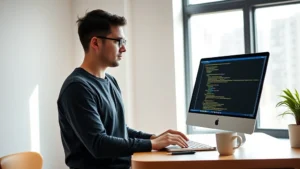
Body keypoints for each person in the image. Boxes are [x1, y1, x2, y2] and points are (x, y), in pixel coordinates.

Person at [57, 9, 189, 169]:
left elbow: (119, 131)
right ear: (95, 43)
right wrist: (152, 143)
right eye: (118, 41)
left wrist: (155, 138)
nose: (123, 49)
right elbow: (99, 144)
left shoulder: (110, 81)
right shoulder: (77, 88)